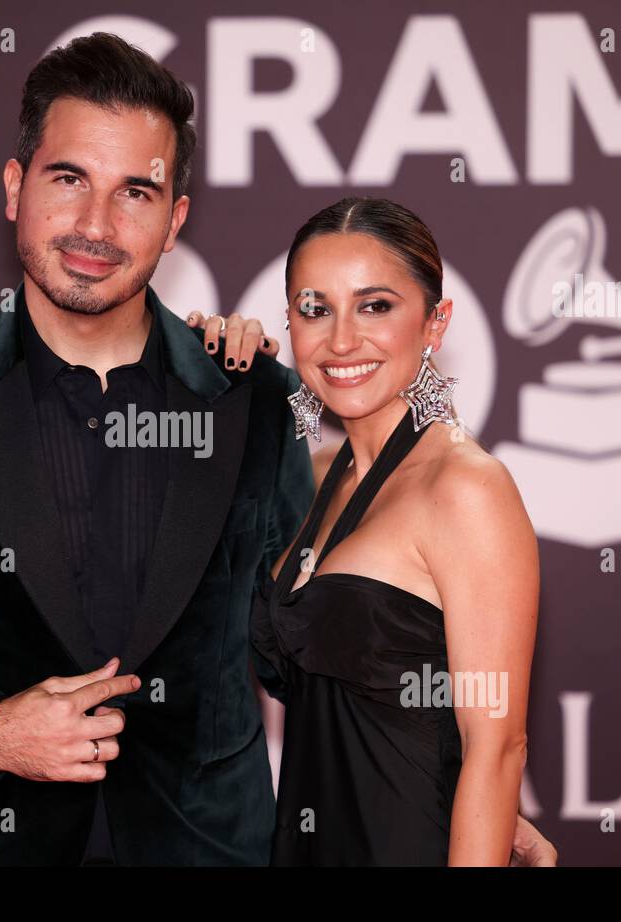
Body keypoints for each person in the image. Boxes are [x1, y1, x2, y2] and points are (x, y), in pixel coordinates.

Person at [0, 32, 555, 866]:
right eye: (68, 178)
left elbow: (323, 642)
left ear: (176, 219)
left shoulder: (254, 399)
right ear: (14, 186)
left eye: (137, 192)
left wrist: (470, 791)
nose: (96, 225)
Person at [188, 197, 539, 865]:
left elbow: (497, 750)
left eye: (375, 305)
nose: (342, 340)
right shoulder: (315, 476)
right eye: (315, 309)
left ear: (435, 323)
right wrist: (195, 365)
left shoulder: (465, 489)